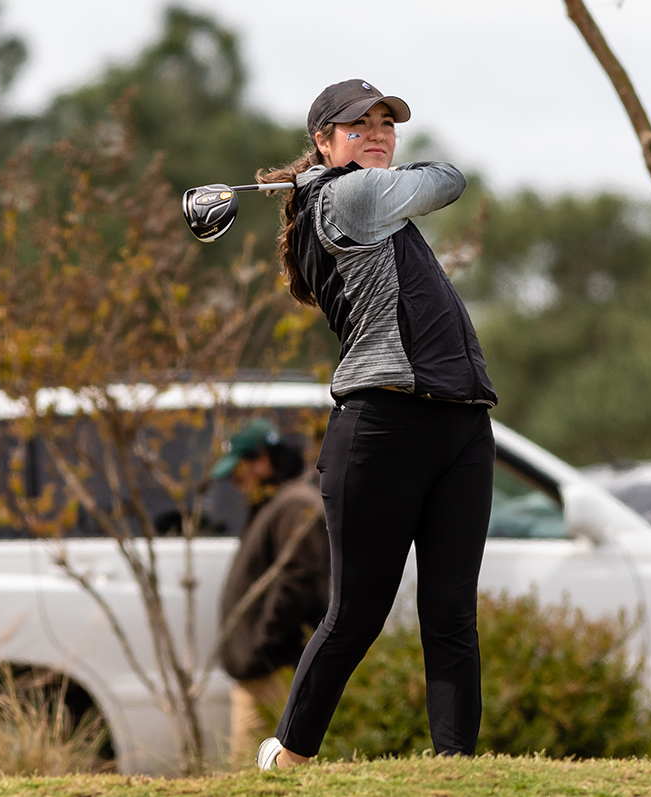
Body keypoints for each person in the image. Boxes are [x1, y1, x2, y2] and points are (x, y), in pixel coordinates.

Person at [251, 79, 497, 770]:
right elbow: (449, 178)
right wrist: (348, 173)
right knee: (356, 613)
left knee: (451, 614)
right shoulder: (349, 195)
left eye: (386, 122)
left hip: (459, 423)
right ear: (323, 143)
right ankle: (291, 754)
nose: (377, 133)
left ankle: (455, 767)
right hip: (382, 425)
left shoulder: (362, 199)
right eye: (357, 125)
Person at [214, 419, 330, 765]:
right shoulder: (275, 504)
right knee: (256, 768)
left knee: (254, 770)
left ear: (262, 461)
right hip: (261, 667)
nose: (237, 483)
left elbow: (298, 579)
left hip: (273, 668)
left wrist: (265, 643)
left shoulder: (294, 504)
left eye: (239, 471)